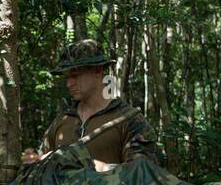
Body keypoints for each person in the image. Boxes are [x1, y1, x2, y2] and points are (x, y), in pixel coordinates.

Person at [22, 39, 162, 170]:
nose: (69, 83)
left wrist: (96, 167)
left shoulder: (128, 120)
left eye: (75, 75)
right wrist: (34, 162)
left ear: (98, 70)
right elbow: (42, 168)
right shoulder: (62, 121)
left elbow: (143, 176)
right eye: (67, 77)